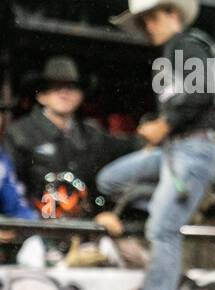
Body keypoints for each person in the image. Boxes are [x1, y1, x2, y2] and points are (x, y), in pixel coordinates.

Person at [97, 0, 215, 290]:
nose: (150, 28)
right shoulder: (175, 55)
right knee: (110, 180)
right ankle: (174, 207)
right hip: (181, 152)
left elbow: (201, 91)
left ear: (173, 15)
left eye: (154, 18)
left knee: (163, 229)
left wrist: (165, 124)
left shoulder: (185, 44)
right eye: (145, 22)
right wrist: (162, 127)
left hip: (198, 150)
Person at [6, 57, 135, 218]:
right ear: (41, 96)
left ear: (81, 95)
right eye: (55, 87)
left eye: (72, 87)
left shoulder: (93, 134)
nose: (64, 93)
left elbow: (126, 149)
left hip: (86, 227)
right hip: (35, 226)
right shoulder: (20, 133)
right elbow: (7, 184)